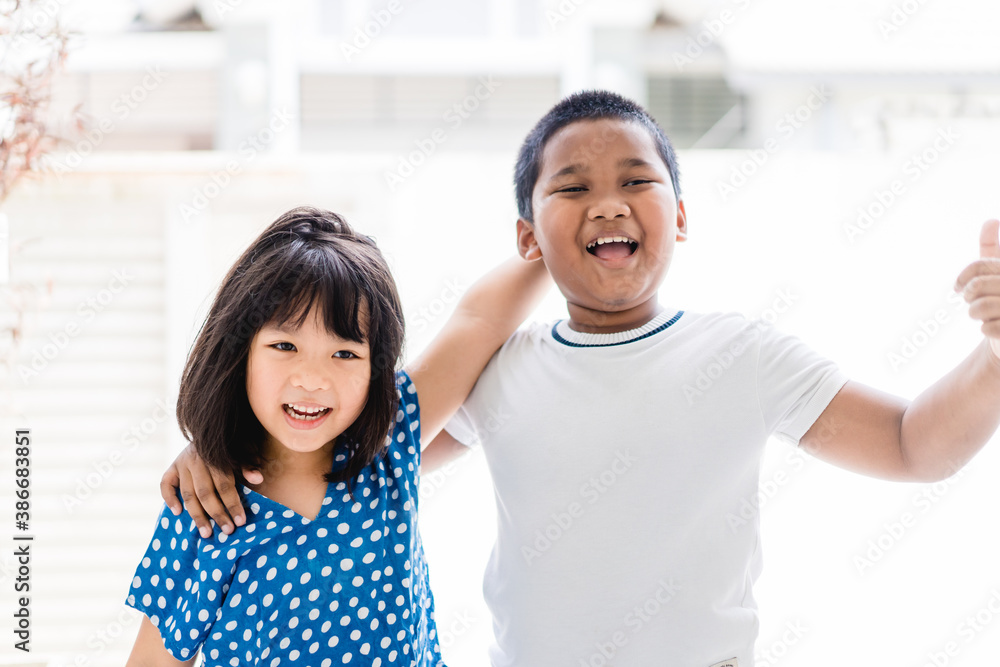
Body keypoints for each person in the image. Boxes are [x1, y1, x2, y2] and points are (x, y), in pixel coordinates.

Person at [164, 91, 1000, 666]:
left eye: (637, 181)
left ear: (680, 214)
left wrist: (997, 355)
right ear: (527, 236)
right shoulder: (497, 373)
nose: (607, 204)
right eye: (573, 188)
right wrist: (216, 453)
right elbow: (343, 452)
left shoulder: (742, 354)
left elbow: (913, 444)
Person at [125, 206, 548, 666]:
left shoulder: (389, 443)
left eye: (344, 353)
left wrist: (558, 241)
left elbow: (479, 321)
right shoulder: (205, 508)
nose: (312, 378)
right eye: (284, 346)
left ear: (375, 370)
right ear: (238, 352)